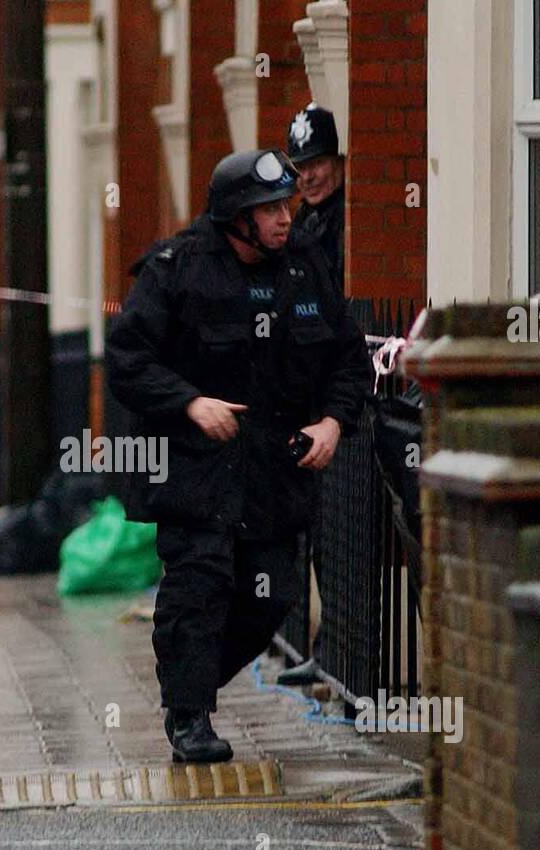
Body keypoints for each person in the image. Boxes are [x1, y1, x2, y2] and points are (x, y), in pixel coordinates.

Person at [105, 149, 371, 763]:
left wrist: (333, 422)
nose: (285, 218)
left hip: (273, 475)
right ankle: (190, 717)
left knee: (269, 599)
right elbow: (127, 359)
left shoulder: (304, 267)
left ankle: (187, 686)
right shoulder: (176, 270)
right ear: (235, 219)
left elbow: (348, 360)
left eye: (287, 205)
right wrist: (191, 402)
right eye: (269, 208)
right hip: (196, 471)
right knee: (198, 589)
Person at [287, 103, 346, 291]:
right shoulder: (302, 216)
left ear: (340, 163)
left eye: (317, 163)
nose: (307, 177)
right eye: (301, 167)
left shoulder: (349, 218)